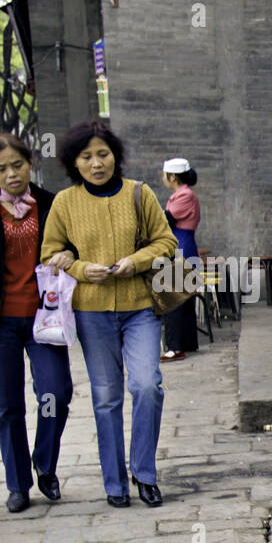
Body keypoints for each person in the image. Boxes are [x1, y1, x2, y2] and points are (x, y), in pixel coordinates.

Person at [39, 121, 177, 508]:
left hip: (140, 309)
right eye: (87, 157)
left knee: (147, 385)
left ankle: (144, 473)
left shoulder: (140, 193)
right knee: (106, 396)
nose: (97, 163)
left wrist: (135, 262)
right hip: (92, 312)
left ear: (115, 156)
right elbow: (50, 255)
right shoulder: (64, 203)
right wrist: (82, 269)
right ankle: (114, 483)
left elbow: (166, 241)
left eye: (103, 154)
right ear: (75, 163)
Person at [0, 133, 73, 513]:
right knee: (7, 406)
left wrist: (66, 254)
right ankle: (17, 484)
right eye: (2, 169)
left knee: (54, 395)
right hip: (3, 325)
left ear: (30, 164)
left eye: (17, 164)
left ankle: (45, 463)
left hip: (44, 319)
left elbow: (73, 245)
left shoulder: (50, 204)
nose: (12, 174)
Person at [160, 157, 200, 361]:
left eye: (165, 175)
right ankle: (188, 342)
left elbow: (166, 219)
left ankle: (174, 347)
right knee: (183, 299)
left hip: (181, 248)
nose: (163, 178)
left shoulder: (184, 196)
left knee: (172, 299)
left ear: (172, 176)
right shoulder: (183, 195)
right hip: (183, 246)